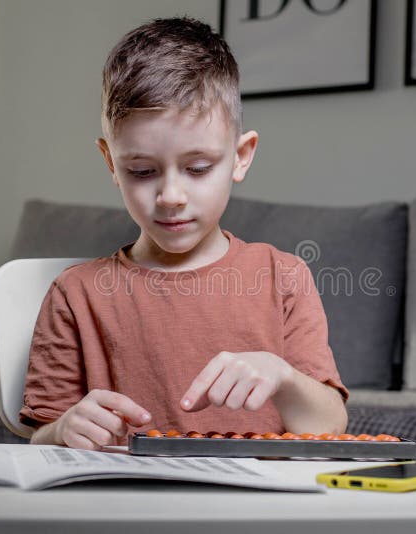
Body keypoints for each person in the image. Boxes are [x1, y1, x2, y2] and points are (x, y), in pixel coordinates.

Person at [20, 16, 348, 450]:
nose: (171, 196)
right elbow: (39, 437)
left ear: (240, 156)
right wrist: (61, 431)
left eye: (197, 168)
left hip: (258, 514)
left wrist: (283, 378)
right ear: (110, 164)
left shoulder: (283, 276)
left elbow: (330, 425)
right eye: (141, 171)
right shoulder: (75, 295)